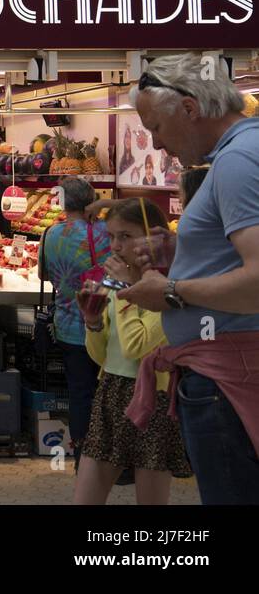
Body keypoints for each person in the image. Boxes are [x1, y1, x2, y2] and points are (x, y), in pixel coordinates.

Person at [117, 54, 259, 504]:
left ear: (190, 109)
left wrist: (172, 291)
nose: (156, 144)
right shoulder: (241, 154)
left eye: (155, 127)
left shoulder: (239, 161)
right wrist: (181, 254)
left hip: (226, 381)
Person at [73, 197, 192, 504]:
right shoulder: (115, 282)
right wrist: (92, 321)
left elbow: (137, 346)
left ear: (154, 235)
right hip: (110, 392)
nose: (115, 246)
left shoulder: (168, 287)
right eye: (111, 236)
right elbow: (103, 357)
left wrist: (126, 293)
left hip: (154, 398)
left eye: (125, 236)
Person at [41, 177, 112, 458]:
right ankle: (109, 454)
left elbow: (44, 276)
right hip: (104, 325)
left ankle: (84, 456)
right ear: (91, 200)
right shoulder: (105, 231)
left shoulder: (50, 234)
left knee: (80, 394)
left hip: (68, 325)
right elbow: (140, 210)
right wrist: (106, 204)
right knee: (109, 393)